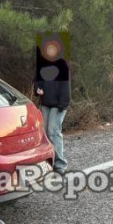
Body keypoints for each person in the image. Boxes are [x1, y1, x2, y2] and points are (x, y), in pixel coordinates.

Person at [35, 33, 71, 174]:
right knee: (44, 133)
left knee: (53, 132)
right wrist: (38, 89)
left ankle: (60, 164)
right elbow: (38, 81)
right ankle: (48, 162)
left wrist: (63, 104)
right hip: (46, 102)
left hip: (58, 104)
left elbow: (65, 87)